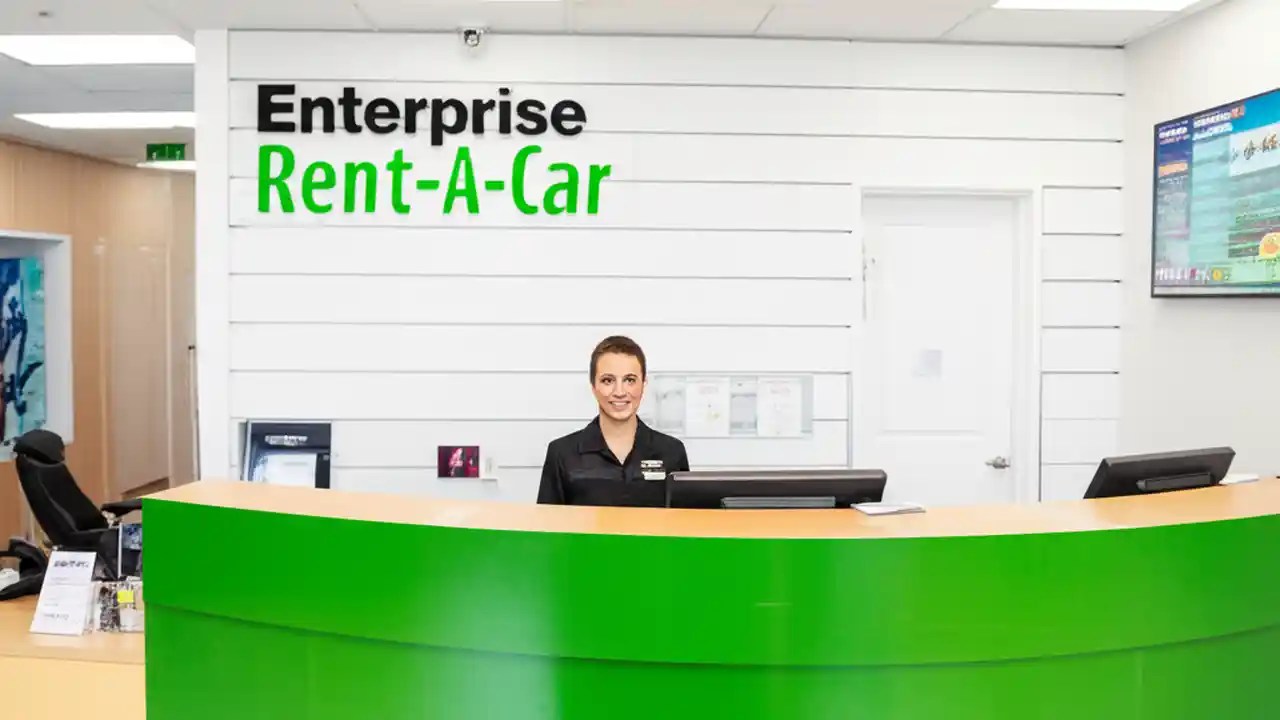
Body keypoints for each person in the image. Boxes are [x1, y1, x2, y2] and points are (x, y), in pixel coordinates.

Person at [537, 335, 689, 507]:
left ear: (643, 384)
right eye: (608, 380)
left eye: (629, 380)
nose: (619, 392)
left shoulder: (671, 452)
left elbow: (684, 527)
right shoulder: (562, 454)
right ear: (593, 386)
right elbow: (547, 529)